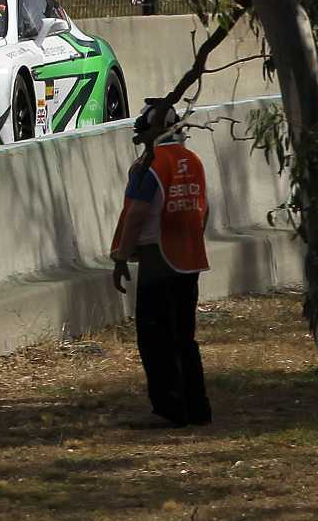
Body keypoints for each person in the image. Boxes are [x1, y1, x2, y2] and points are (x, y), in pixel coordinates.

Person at [110, 100, 213, 428]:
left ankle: (170, 409)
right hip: (189, 258)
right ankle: (197, 409)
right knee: (184, 336)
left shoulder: (150, 165)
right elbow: (203, 209)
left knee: (155, 338)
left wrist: (122, 256)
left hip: (159, 259)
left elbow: (138, 213)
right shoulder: (192, 160)